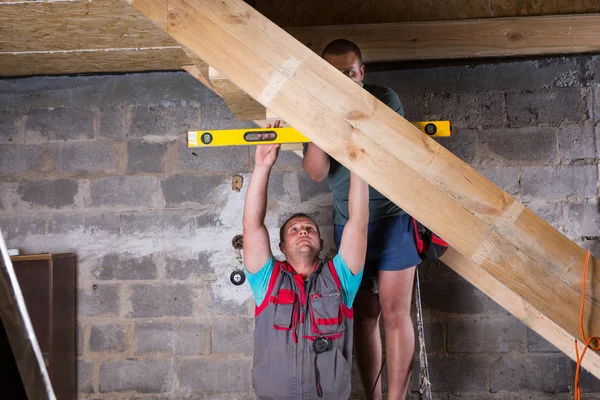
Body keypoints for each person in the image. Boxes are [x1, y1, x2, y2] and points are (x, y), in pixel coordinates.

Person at [303, 39, 422, 400]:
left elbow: (387, 154)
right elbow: (316, 172)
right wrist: (323, 113)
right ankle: (373, 396)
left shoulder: (384, 98)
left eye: (349, 73)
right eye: (334, 73)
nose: (343, 79)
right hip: (350, 222)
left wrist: (347, 108)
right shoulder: (317, 109)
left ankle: (395, 398)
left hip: (393, 216)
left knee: (394, 310)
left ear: (361, 72)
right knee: (363, 313)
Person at [242, 137, 369, 399]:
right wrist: (262, 167)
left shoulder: (340, 279)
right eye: (294, 230)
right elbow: (252, 226)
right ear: (281, 247)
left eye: (309, 229)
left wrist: (359, 163)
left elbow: (358, 223)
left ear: (321, 243)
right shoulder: (267, 280)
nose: (303, 232)